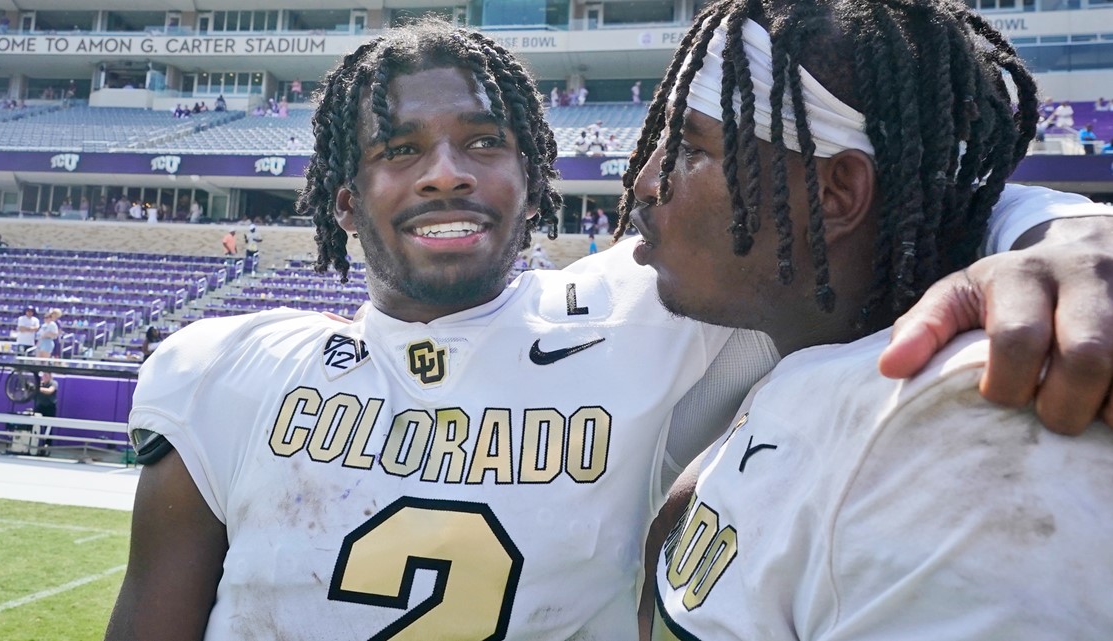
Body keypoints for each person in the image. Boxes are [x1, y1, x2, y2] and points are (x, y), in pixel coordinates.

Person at [107, 19, 1113, 641]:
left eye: (484, 142)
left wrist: (1067, 229)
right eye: (399, 149)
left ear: (531, 178)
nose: (447, 171)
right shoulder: (227, 369)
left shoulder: (655, 308)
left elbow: (893, 206)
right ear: (341, 202)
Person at [619, 1, 1113, 638]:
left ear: (836, 193)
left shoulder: (959, 438)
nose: (646, 180)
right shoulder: (785, 332)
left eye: (690, 149)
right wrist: (1074, 231)